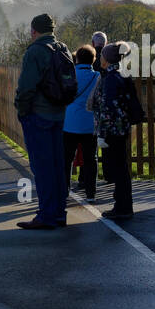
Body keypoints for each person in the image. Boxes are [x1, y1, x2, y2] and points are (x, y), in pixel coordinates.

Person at [14, 13, 72, 230]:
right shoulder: (63, 48)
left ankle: (46, 216)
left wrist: (22, 111)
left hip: (38, 116)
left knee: (42, 168)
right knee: (57, 167)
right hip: (59, 115)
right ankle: (58, 213)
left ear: (33, 31)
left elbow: (27, 87)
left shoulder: (36, 51)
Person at [90, 41, 136, 219]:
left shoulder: (110, 78)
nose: (100, 57)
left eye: (102, 55)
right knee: (121, 168)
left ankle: (123, 208)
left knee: (118, 169)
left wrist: (102, 134)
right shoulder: (121, 74)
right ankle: (123, 205)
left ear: (107, 59)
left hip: (112, 131)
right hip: (120, 128)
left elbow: (107, 108)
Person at [63, 46, 99, 201]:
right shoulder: (97, 76)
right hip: (90, 124)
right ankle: (91, 193)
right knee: (91, 159)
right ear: (93, 59)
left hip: (69, 123)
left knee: (66, 158)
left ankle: (64, 190)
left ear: (76, 59)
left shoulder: (70, 75)